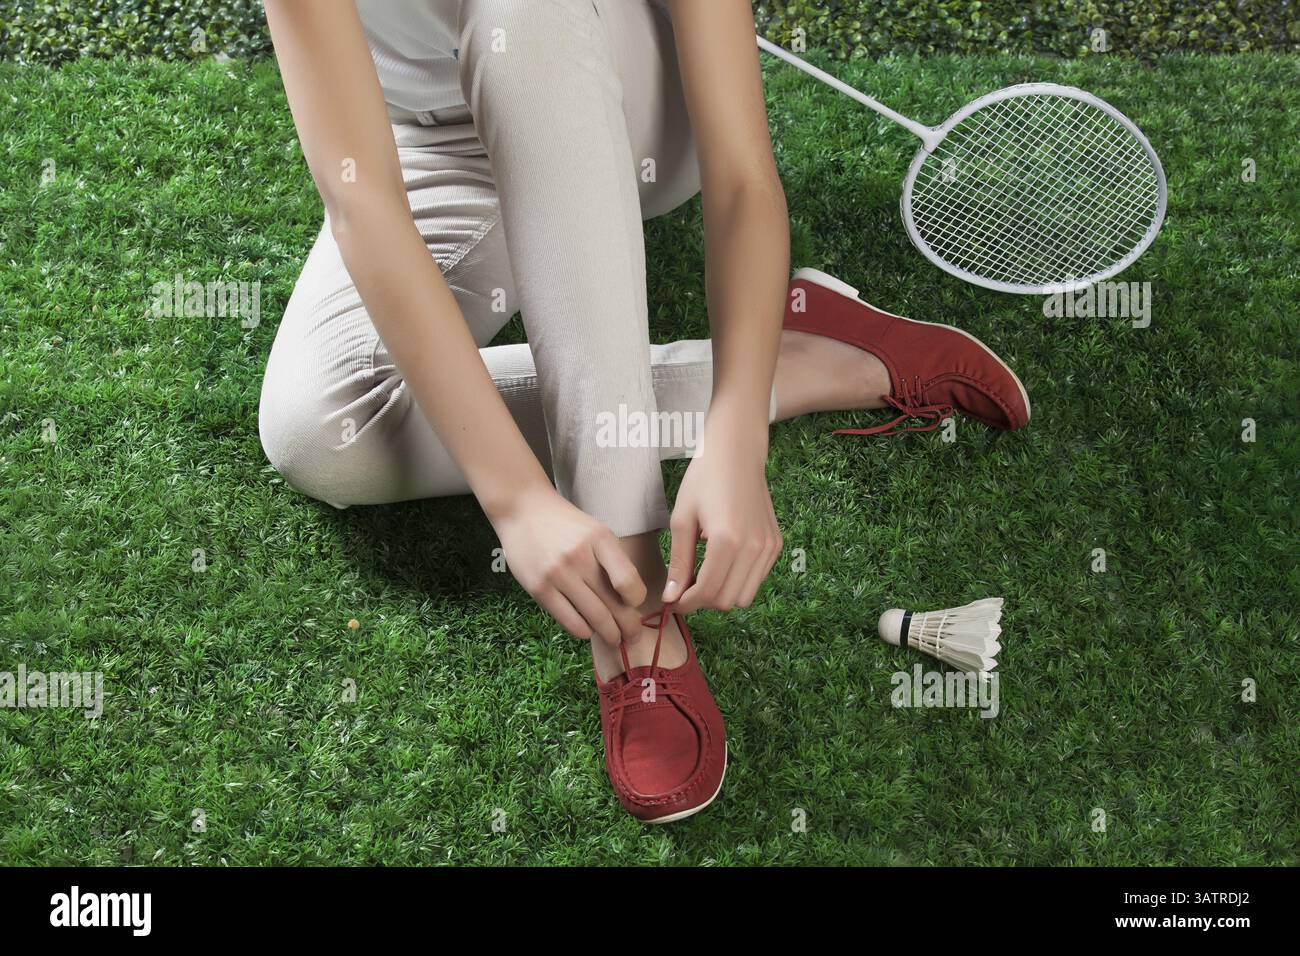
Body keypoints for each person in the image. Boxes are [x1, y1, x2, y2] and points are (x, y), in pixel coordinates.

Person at [258, 0, 1030, 822]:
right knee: (322, 431)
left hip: (627, 100)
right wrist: (514, 499)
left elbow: (741, 178)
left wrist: (737, 444)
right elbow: (364, 204)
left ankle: (629, 607)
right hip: (437, 138)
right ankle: (805, 358)